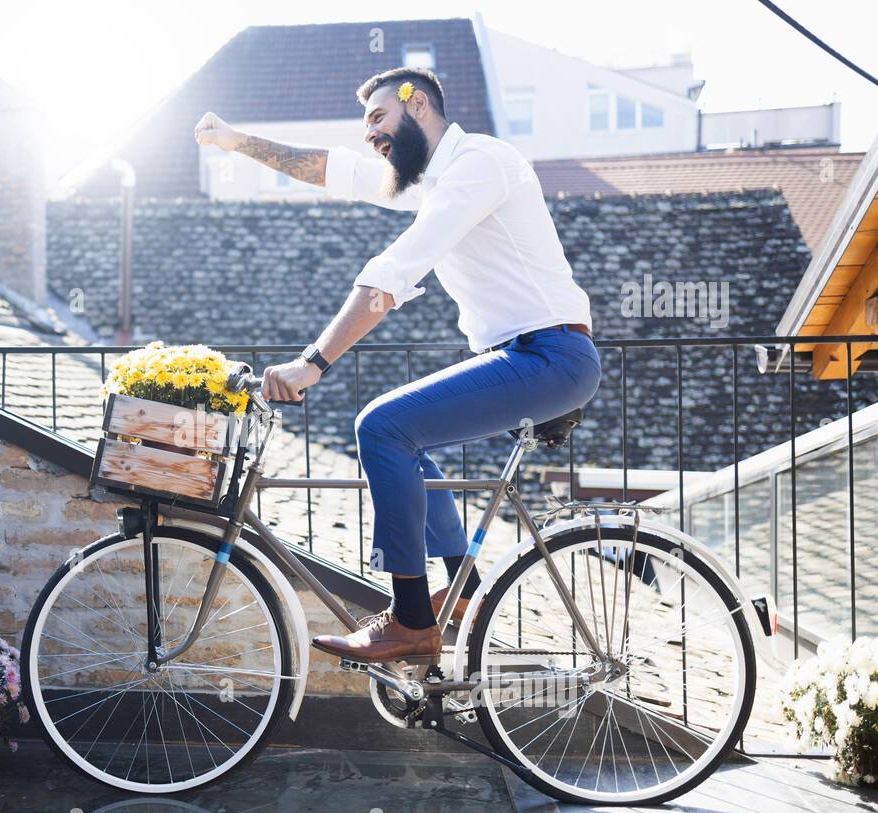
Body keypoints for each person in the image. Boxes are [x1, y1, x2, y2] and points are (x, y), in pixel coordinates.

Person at [194, 67, 601, 663]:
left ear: (420, 106)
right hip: (528, 356)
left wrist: (313, 363)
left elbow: (396, 268)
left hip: (549, 355)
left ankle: (412, 620)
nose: (371, 136)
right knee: (408, 443)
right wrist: (239, 143)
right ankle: (460, 589)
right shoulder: (434, 180)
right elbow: (335, 169)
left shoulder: (481, 163)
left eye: (378, 119)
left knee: (382, 426)